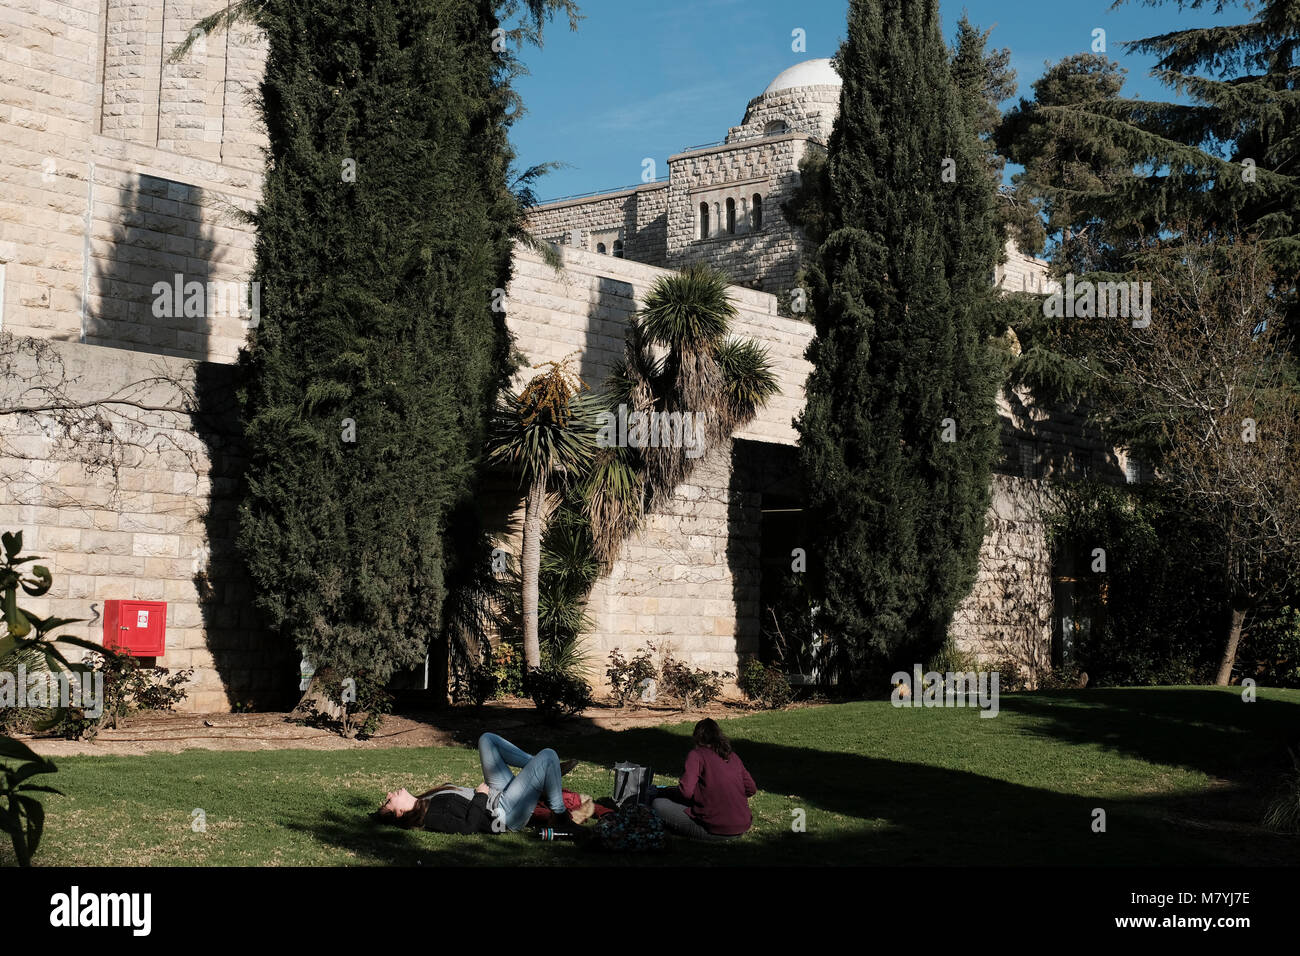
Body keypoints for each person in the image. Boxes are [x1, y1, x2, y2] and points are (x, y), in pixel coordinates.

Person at [376, 732, 580, 834]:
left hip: (496, 794)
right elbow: (468, 827)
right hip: (503, 813)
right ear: (400, 813)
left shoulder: (426, 799)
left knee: (486, 740)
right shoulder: (431, 817)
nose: (388, 795)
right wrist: (481, 796)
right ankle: (560, 815)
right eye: (388, 803)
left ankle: (542, 768)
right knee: (548, 755)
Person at [651, 718, 756, 840]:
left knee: (658, 804)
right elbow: (751, 789)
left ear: (696, 737)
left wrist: (666, 792)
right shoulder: (732, 756)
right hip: (742, 825)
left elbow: (685, 792)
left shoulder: (697, 755)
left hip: (714, 829)